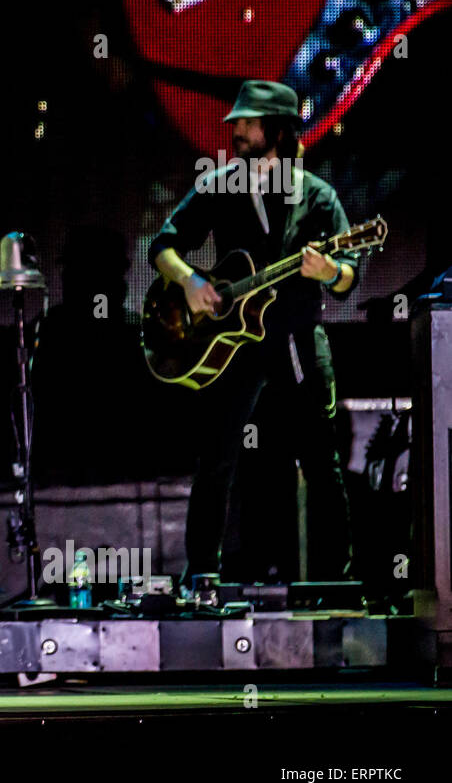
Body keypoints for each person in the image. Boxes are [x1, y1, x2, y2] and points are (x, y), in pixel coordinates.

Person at [148, 80, 362, 585]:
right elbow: (163, 245)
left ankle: (335, 579)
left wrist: (328, 272)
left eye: (247, 122)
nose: (236, 130)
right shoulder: (220, 185)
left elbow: (349, 274)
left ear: (278, 129)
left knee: (318, 457)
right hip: (231, 343)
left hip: (294, 337)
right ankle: (201, 574)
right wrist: (192, 281)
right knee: (216, 458)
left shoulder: (317, 197)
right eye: (237, 122)